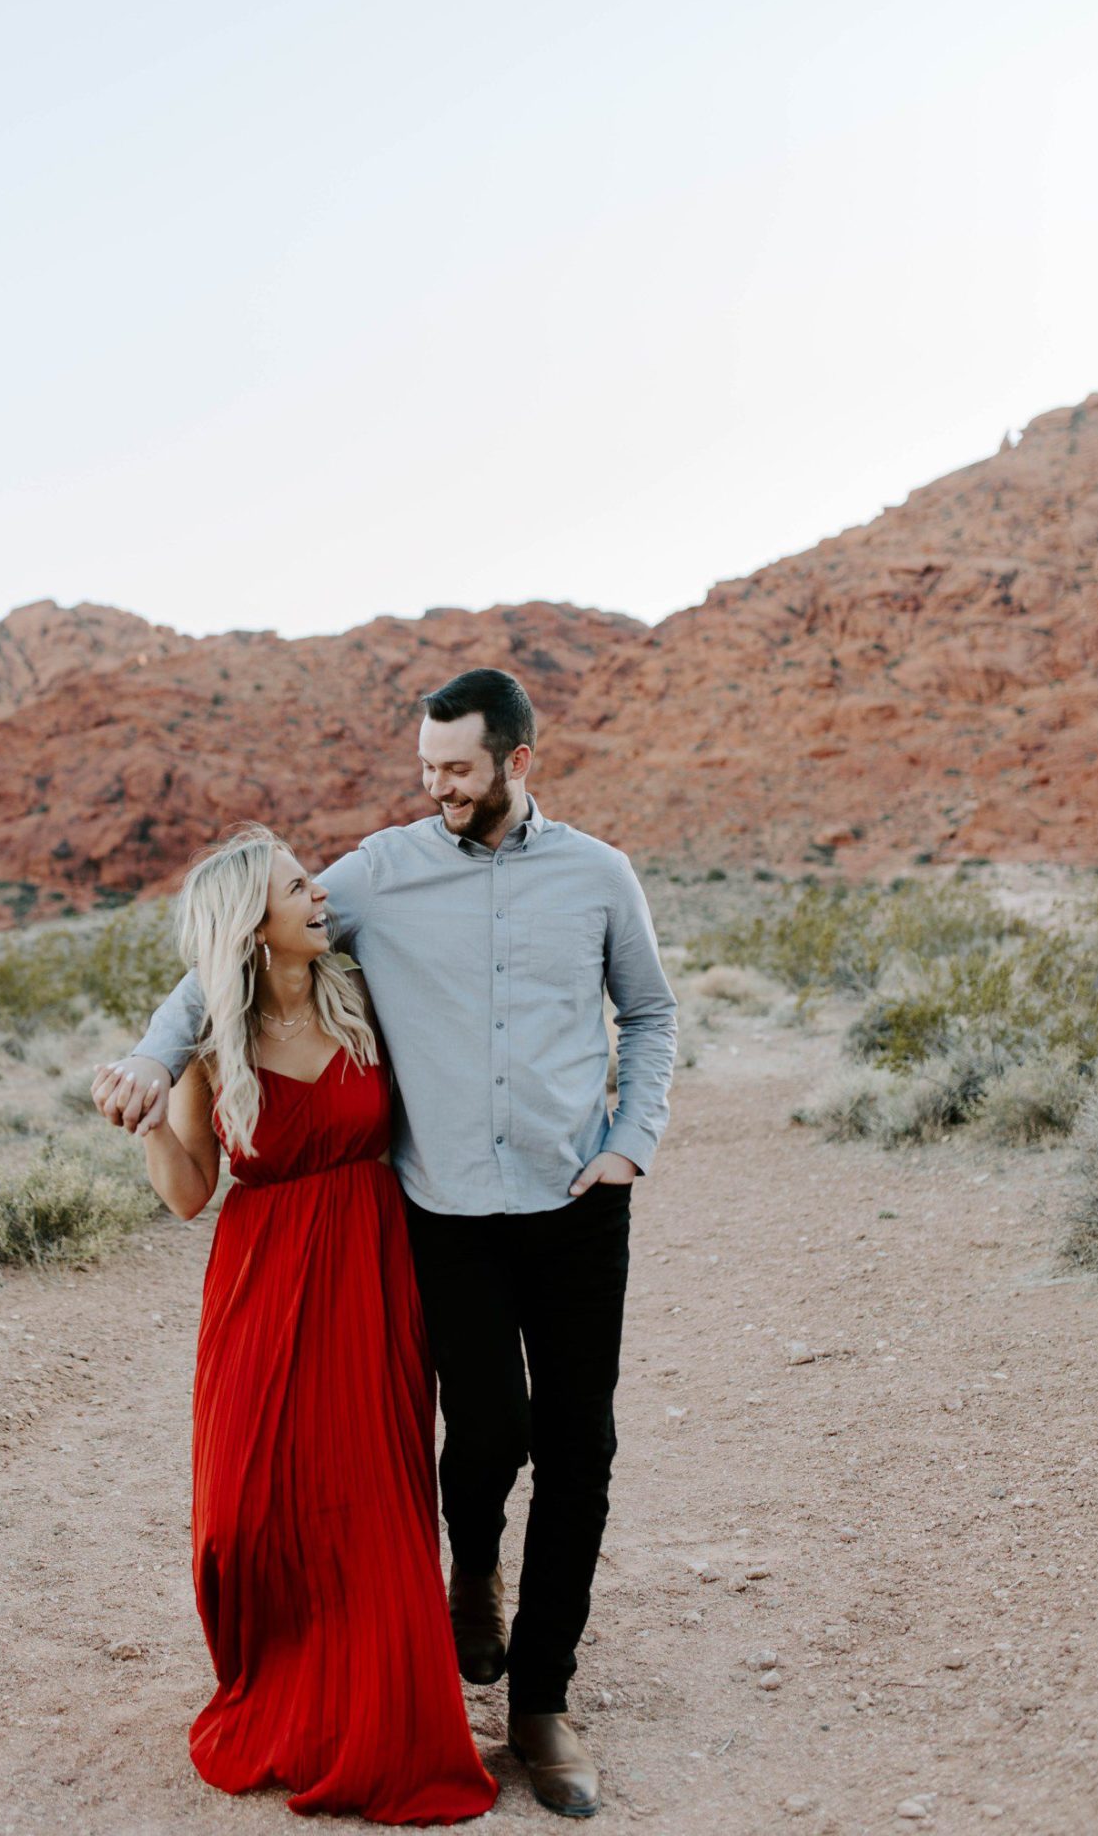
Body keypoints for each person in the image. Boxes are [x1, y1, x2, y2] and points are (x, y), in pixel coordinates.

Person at [96, 668, 679, 1820]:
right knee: (487, 1431)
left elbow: (650, 1013)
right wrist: (158, 1062)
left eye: (456, 770)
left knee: (581, 1444)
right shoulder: (380, 871)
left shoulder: (599, 875)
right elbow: (217, 965)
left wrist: (630, 1141)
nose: (436, 788)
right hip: (444, 1216)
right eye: (426, 769)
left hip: (575, 1203)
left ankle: (542, 1701)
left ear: (520, 759)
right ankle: (472, 1561)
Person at [94, 825, 498, 1825]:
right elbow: (191, 1192)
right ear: (253, 922)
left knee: (366, 1495)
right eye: (299, 885)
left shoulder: (366, 996)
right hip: (260, 1284)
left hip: (372, 1268)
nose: (324, 895)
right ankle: (283, 1691)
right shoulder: (208, 1044)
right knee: (246, 1508)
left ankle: (385, 1708)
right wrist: (147, 1123)